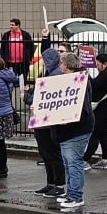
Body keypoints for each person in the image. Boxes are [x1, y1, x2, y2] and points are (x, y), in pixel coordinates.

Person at [54, 52, 94, 211]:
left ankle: (76, 196)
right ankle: (71, 192)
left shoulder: (78, 82)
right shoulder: (74, 79)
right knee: (68, 162)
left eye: (61, 63)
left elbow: (80, 108)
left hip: (76, 129)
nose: (59, 66)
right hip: (69, 130)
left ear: (66, 65)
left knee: (74, 162)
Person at [30, 43, 67, 198]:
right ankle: (51, 183)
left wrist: (27, 96)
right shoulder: (51, 73)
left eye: (45, 60)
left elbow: (43, 96)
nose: (43, 62)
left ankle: (59, 184)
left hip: (48, 122)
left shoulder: (55, 75)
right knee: (46, 154)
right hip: (43, 121)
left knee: (52, 154)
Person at [83, 53, 107, 170]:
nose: (97, 67)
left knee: (94, 134)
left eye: (98, 65)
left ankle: (85, 159)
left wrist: (85, 75)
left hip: (102, 109)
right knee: (103, 134)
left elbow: (93, 86)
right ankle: (105, 159)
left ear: (105, 64)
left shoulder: (106, 75)